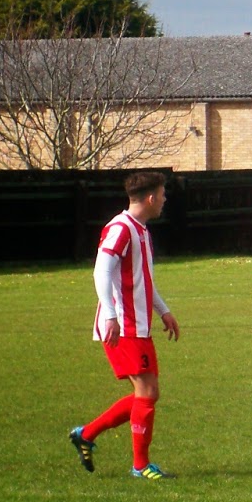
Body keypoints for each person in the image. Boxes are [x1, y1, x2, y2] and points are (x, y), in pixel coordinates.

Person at [69, 171, 181, 480]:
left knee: (148, 393)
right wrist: (110, 315)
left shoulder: (141, 231)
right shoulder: (120, 228)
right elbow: (100, 272)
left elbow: (143, 281)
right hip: (124, 326)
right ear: (150, 198)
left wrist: (164, 311)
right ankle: (140, 465)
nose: (164, 199)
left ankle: (86, 434)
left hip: (139, 325)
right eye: (162, 194)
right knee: (146, 391)